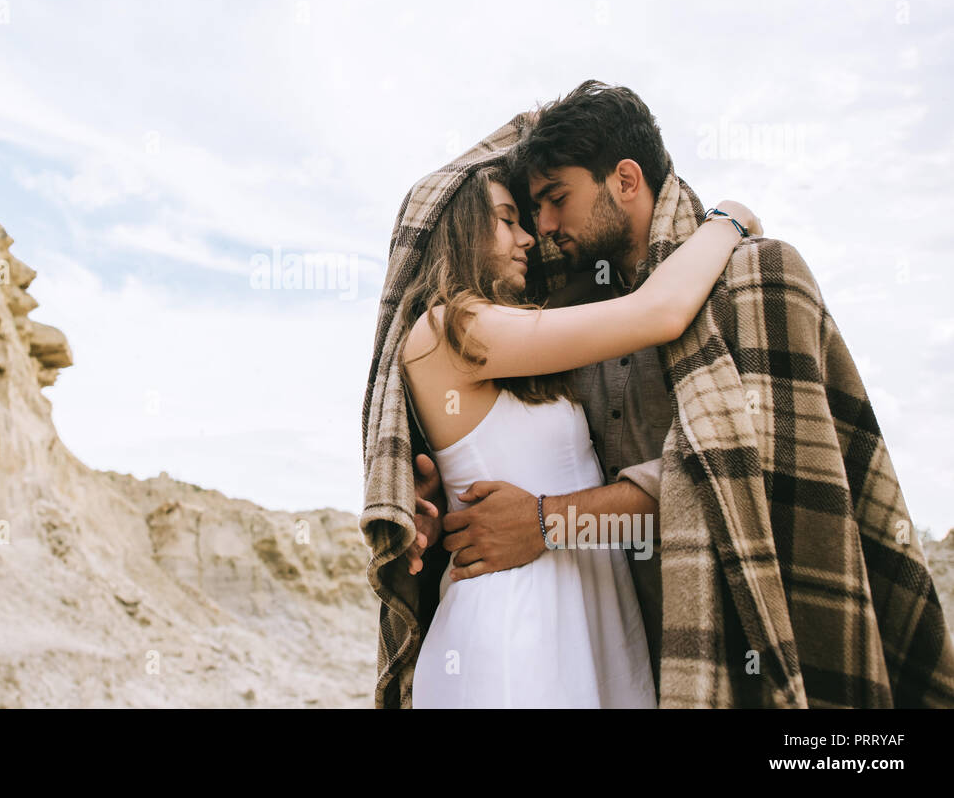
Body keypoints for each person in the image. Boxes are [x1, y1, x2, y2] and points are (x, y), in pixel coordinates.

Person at [395, 80, 954, 708]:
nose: (540, 230)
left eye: (553, 201)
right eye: (518, 216)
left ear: (626, 181)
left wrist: (550, 519)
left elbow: (748, 473)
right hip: (587, 627)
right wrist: (424, 500)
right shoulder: (549, 315)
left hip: (724, 626)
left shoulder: (753, 281)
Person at [397, 159, 759, 707]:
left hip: (586, 619)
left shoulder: (509, 340)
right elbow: (659, 312)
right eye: (506, 219)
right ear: (461, 229)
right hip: (513, 627)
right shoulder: (448, 327)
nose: (527, 237)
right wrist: (728, 219)